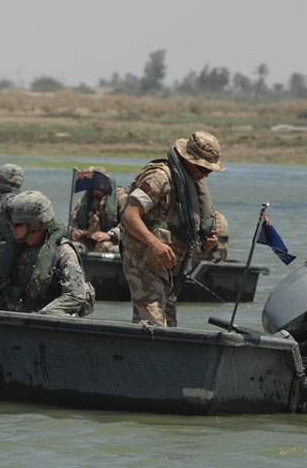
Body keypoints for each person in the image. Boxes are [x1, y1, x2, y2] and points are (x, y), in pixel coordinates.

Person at [120, 131, 224, 327]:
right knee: (151, 325)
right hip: (144, 262)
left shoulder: (189, 186)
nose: (205, 175)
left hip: (168, 270)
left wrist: (206, 243)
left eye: (209, 171)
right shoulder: (159, 177)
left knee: (170, 326)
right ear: (188, 160)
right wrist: (155, 244)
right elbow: (129, 216)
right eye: (202, 169)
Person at [68, 166, 130, 253]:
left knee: (102, 246)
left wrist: (110, 234)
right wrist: (74, 231)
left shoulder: (120, 197)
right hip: (87, 239)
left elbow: (128, 224)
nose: (94, 190)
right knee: (72, 246)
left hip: (111, 240)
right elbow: (74, 220)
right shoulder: (88, 198)